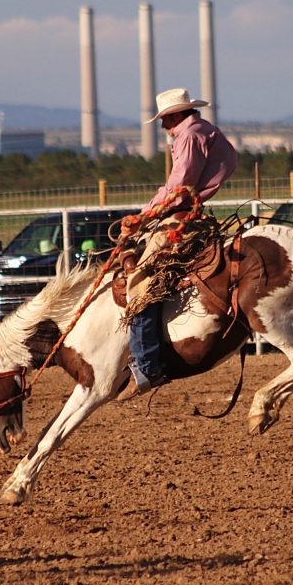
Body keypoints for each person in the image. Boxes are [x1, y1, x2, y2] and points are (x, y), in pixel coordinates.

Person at [124, 87, 238, 394]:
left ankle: (147, 365)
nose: (164, 127)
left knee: (141, 285)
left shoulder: (188, 136)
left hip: (181, 217)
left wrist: (144, 215)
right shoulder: (206, 131)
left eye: (165, 120)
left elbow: (179, 187)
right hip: (193, 213)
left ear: (175, 115)